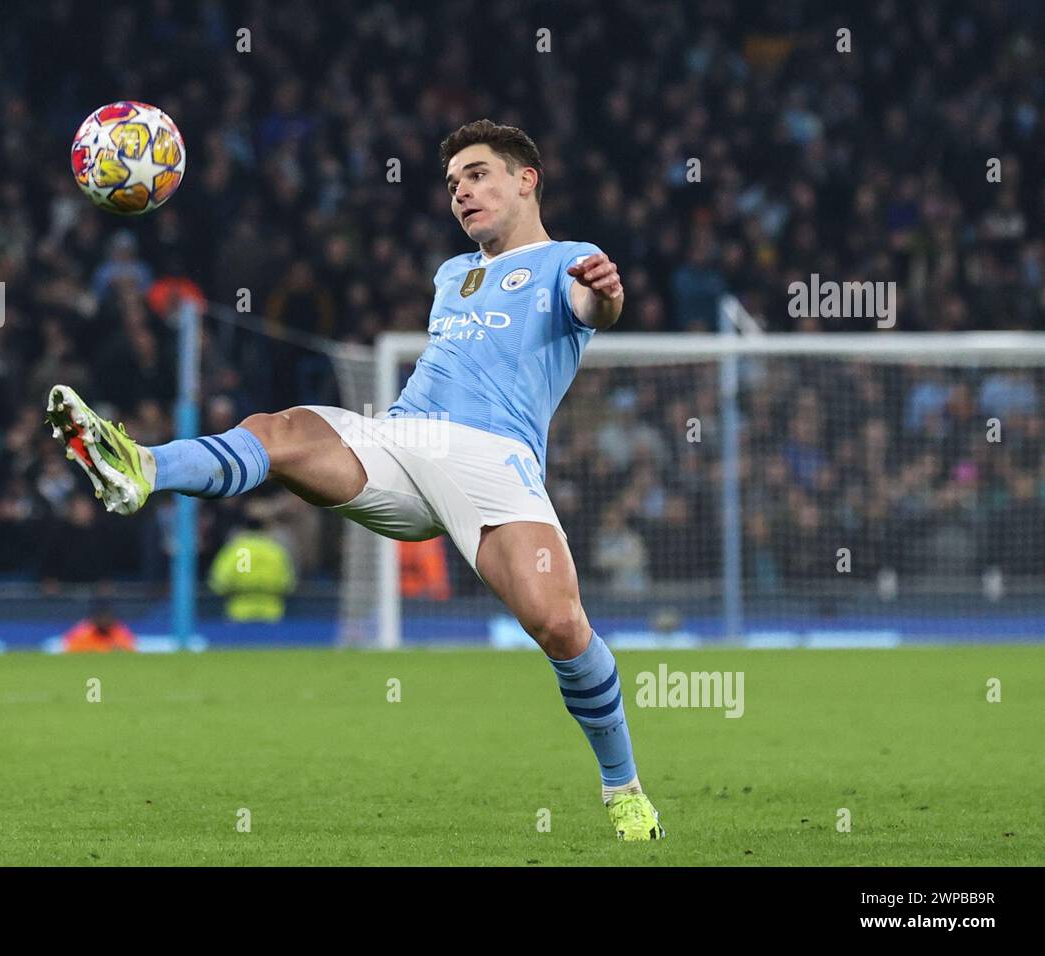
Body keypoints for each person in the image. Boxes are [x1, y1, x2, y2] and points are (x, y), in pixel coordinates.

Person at [47, 120, 662, 841]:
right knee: (277, 430)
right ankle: (143, 468)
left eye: (478, 174)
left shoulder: (570, 259)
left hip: (493, 460)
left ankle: (623, 788)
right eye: (454, 183)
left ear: (526, 179)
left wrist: (605, 294)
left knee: (558, 625)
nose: (462, 191)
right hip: (401, 439)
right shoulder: (450, 276)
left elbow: (596, 309)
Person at [207, 512, 297, 622]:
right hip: (271, 611)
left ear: (244, 529)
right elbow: (288, 583)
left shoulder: (235, 550)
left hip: (239, 610)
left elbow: (219, 582)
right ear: (264, 529)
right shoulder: (275, 550)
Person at [62, 602, 137, 653]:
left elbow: (129, 650)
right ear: (95, 619)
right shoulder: (83, 633)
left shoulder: (119, 631)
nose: (104, 622)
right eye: (101, 618)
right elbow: (71, 651)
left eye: (107, 618)